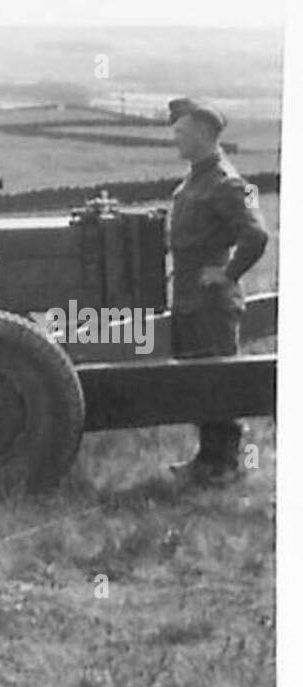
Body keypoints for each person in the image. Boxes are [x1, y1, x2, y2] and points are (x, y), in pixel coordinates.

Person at [166, 97, 269, 485]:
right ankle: (207, 459)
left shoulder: (229, 182)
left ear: (204, 134)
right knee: (200, 383)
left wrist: (228, 273)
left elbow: (257, 233)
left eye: (182, 132)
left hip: (212, 304)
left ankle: (227, 466)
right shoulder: (195, 179)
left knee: (220, 384)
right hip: (189, 300)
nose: (175, 137)